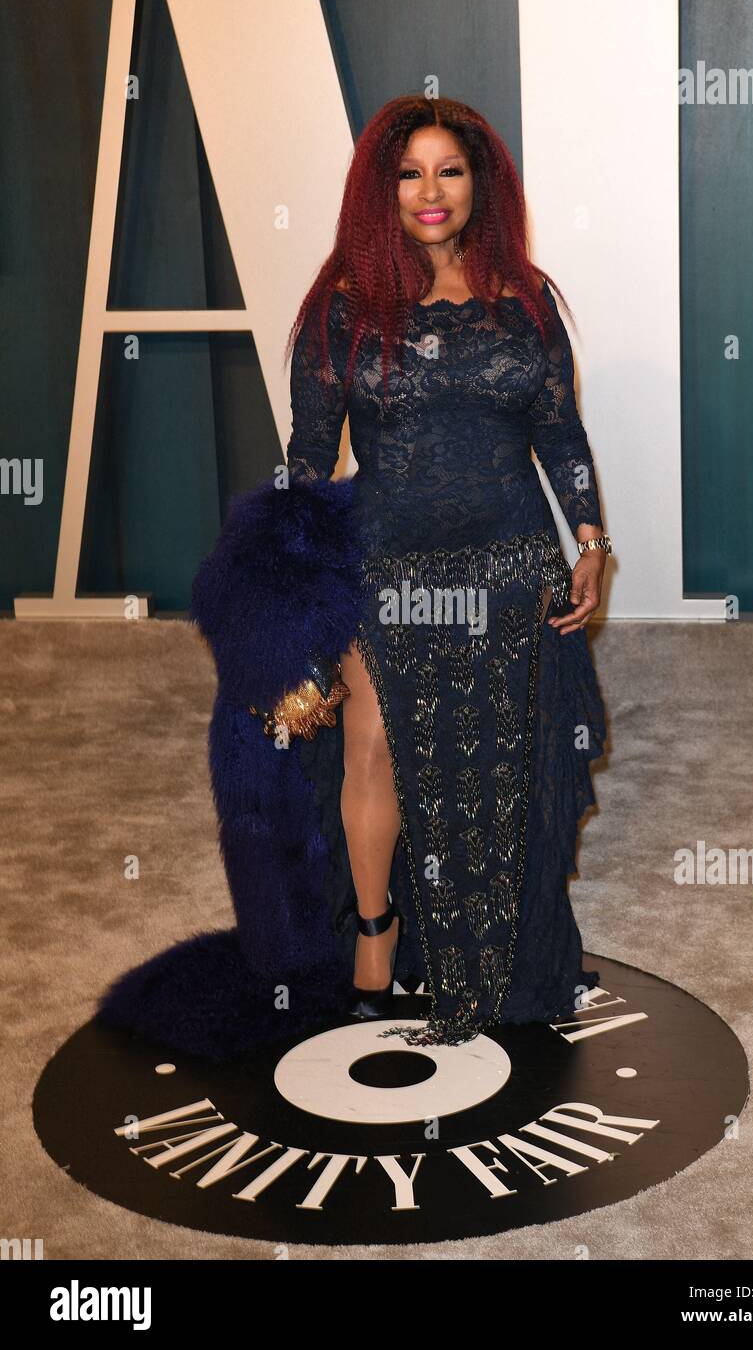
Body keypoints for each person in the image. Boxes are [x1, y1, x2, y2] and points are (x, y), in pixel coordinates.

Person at [283, 94, 610, 1046]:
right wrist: (312, 586)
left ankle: (503, 944)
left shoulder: (525, 298)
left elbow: (559, 429)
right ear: (381, 191)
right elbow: (308, 458)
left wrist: (590, 541)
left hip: (513, 563)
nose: (432, 192)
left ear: (481, 185)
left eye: (451, 171)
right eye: (410, 173)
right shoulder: (342, 304)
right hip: (388, 565)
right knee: (374, 744)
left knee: (508, 763)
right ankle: (377, 939)